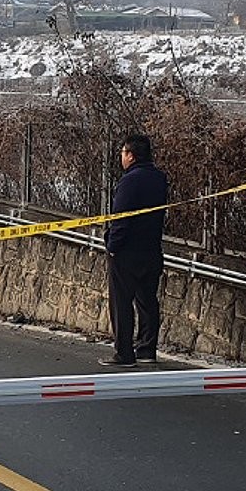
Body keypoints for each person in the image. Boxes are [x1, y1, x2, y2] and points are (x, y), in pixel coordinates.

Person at [101, 133, 169, 367]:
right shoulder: (159, 178)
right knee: (148, 301)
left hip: (127, 252)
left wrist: (112, 246)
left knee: (121, 303)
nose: (121, 157)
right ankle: (147, 349)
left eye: (122, 153)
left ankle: (124, 353)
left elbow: (121, 218)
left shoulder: (130, 181)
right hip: (151, 249)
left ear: (131, 155)